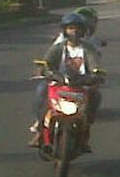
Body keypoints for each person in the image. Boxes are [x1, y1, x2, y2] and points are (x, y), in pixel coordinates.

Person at [29, 12, 103, 151]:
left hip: (80, 85)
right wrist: (44, 71)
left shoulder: (88, 49)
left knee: (97, 97)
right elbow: (46, 63)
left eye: (77, 28)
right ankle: (40, 130)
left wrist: (96, 75)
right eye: (70, 28)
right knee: (41, 92)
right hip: (58, 83)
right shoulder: (58, 48)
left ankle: (84, 132)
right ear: (65, 30)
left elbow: (95, 66)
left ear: (82, 30)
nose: (73, 31)